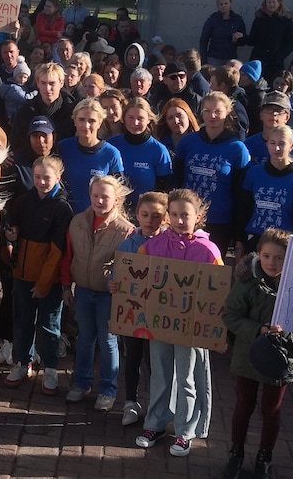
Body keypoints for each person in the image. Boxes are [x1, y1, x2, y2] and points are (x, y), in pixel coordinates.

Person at [132, 188, 222, 457]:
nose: (180, 220)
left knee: (186, 378)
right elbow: (134, 278)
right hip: (160, 324)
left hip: (191, 328)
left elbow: (218, 292)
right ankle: (155, 423)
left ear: (199, 216)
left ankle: (185, 430)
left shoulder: (208, 250)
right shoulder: (152, 245)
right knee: (160, 374)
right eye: (174, 214)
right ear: (168, 216)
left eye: (186, 215)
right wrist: (120, 285)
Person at [220, 228, 293, 479]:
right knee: (243, 404)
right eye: (267, 256)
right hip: (249, 353)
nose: (272, 262)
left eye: (279, 258)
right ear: (258, 254)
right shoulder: (247, 282)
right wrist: (259, 329)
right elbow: (230, 316)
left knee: (272, 409)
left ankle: (264, 456)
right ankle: (236, 453)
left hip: (282, 357)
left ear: (290, 258)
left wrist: (288, 331)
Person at [59, 175, 135, 408]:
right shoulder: (77, 222)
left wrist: (118, 285)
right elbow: (68, 257)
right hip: (82, 290)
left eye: (105, 196)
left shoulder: (125, 230)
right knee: (84, 339)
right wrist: (65, 286)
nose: (100, 200)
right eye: (96, 195)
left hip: (107, 295)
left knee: (108, 341)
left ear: (117, 199)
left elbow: (129, 269)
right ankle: (81, 383)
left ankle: (108, 390)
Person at [1, 155, 74, 394]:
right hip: (21, 275)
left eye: (47, 178)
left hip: (48, 280)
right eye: (38, 177)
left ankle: (51, 369)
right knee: (22, 322)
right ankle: (23, 363)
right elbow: (15, 229)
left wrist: (44, 283)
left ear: (58, 177)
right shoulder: (23, 201)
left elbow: (57, 251)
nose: (42, 182)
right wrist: (13, 235)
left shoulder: (62, 208)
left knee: (50, 325)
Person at [110, 191, 169, 426]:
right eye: (145, 214)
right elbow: (117, 275)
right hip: (133, 314)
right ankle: (130, 403)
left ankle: (156, 406)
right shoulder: (127, 244)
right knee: (132, 358)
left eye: (156, 216)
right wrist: (111, 283)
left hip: (159, 316)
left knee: (156, 363)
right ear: (137, 215)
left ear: (164, 219)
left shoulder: (168, 245)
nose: (149, 220)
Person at [175, 92, 250, 255]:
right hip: (186, 218)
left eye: (217, 111)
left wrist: (239, 236)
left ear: (227, 113)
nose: (212, 116)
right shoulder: (188, 142)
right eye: (207, 111)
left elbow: (241, 195)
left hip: (219, 221)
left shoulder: (237, 148)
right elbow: (176, 181)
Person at [237, 125, 293, 253]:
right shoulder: (253, 174)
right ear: (267, 144)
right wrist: (239, 241)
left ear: (291, 146)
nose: (277, 148)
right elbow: (243, 210)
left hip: (283, 243)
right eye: (272, 143)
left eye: (282, 143)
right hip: (255, 239)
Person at [58, 99, 124, 214]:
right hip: (65, 216)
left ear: (100, 123)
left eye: (92, 121)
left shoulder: (111, 153)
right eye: (81, 120)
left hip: (97, 218)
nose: (86, 125)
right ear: (74, 121)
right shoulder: (63, 147)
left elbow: (119, 192)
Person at [107, 98, 174, 199]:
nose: (135, 123)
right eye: (130, 118)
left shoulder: (158, 150)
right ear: (123, 118)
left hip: (146, 211)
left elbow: (165, 190)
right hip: (114, 209)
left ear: (148, 120)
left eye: (140, 118)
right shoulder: (111, 145)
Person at [232, 0, 293, 79]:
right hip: (258, 60)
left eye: (274, 2)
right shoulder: (259, 18)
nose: (271, 5)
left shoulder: (285, 20)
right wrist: (241, 38)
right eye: (269, 2)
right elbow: (253, 39)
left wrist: (280, 55)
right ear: (265, 4)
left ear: (279, 3)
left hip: (275, 62)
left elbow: (291, 42)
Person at [199, 0, 247, 67]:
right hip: (214, 57)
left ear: (230, 4)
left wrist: (239, 38)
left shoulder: (237, 20)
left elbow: (244, 40)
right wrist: (204, 59)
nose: (223, 6)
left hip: (230, 58)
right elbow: (204, 39)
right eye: (221, 4)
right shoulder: (213, 19)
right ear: (218, 6)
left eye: (226, 3)